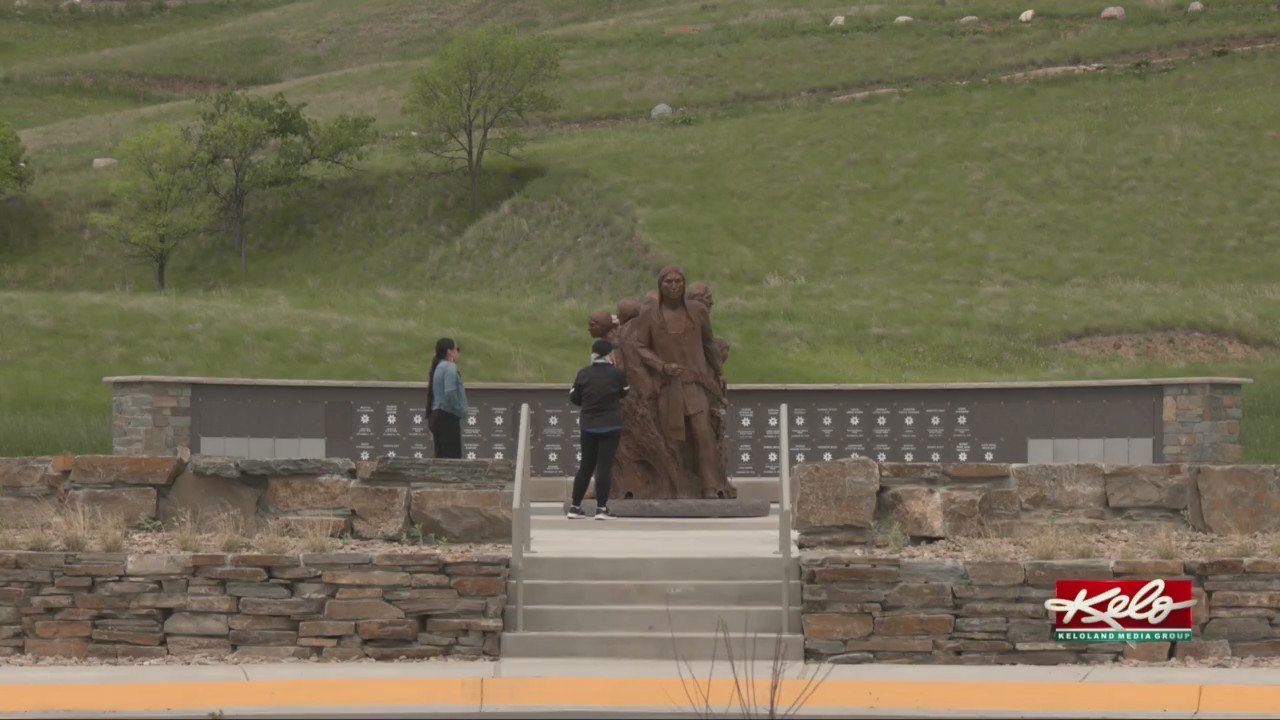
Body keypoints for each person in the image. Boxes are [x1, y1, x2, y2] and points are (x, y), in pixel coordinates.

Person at [567, 338, 629, 520]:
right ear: (609, 355)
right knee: (604, 467)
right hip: (610, 425)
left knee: (585, 466)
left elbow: (574, 397)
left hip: (588, 425)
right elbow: (624, 392)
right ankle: (601, 509)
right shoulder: (617, 374)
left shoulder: (583, 373)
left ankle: (574, 507)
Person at [427, 337, 468, 459]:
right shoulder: (450, 366)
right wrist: (460, 410)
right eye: (457, 349)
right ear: (449, 352)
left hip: (437, 416)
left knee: (441, 459)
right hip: (447, 417)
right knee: (452, 460)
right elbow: (450, 392)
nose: (458, 353)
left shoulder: (439, 367)